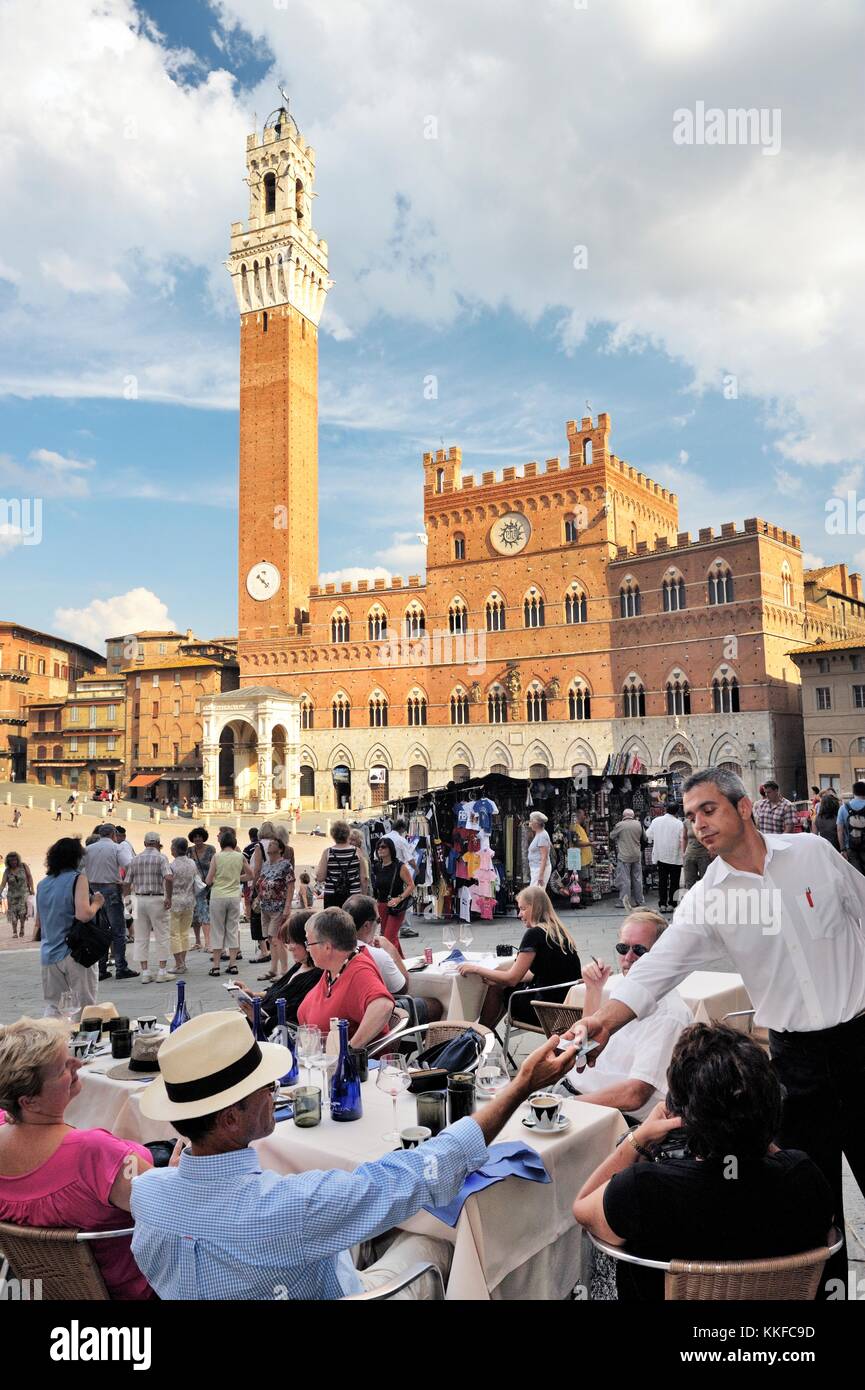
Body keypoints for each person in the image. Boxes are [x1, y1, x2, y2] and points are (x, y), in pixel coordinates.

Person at [574, 765, 865, 1294]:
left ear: (743, 807)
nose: (699, 825)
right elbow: (658, 968)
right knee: (814, 1207)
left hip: (862, 1043)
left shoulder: (812, 855)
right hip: (796, 1066)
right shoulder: (708, 897)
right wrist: (605, 1023)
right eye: (691, 817)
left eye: (708, 810)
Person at [128, 1011, 577, 1300]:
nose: (275, 1092)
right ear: (229, 1120)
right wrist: (521, 1088)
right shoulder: (288, 1207)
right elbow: (422, 1172)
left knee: (379, 1223)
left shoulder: (148, 1194)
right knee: (440, 1240)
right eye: (265, 1088)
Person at [572, 1024, 835, 1301]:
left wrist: (639, 1138)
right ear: (774, 1105)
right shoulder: (805, 1179)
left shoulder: (643, 1189)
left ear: (679, 1115)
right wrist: (754, 1125)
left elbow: (582, 1207)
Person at [0, 1018, 155, 1300]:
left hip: (48, 1289)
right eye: (63, 1068)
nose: (78, 1066)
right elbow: (171, 1208)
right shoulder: (93, 1152)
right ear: (29, 1101)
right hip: (133, 1290)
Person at [562, 910, 691, 1121]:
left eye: (639, 950)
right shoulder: (625, 987)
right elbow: (587, 1044)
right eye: (623, 948)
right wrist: (593, 990)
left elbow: (635, 1095)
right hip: (574, 1091)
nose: (629, 957)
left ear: (661, 954)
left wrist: (566, 1106)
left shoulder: (669, 1015)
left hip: (605, 1113)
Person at [458, 885, 582, 1030]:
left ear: (534, 907)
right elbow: (539, 972)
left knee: (499, 987)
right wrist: (498, 975)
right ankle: (485, 1033)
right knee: (502, 985)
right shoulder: (558, 932)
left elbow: (512, 979)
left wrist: (476, 969)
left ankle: (477, 1035)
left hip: (544, 1010)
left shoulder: (535, 934)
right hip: (567, 1008)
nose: (519, 915)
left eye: (523, 909)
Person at [297, 908, 395, 1046]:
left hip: (350, 1064)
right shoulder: (334, 969)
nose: (307, 949)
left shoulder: (359, 970)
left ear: (327, 947)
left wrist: (349, 1049)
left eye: (309, 943)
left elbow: (383, 1006)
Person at [35, 837, 104, 1018]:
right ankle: (81, 1044)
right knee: (84, 1008)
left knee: (54, 1007)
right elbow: (84, 914)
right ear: (75, 858)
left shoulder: (42, 885)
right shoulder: (78, 879)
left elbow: (39, 922)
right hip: (75, 952)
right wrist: (97, 903)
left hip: (49, 952)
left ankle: (52, 1044)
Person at [235, 909, 322, 1033]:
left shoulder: (315, 976)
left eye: (293, 941)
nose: (290, 947)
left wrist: (257, 1019)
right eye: (287, 942)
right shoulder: (300, 965)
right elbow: (278, 989)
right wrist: (253, 995)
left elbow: (290, 1016)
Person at [84, 823, 138, 982]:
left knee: (100, 929)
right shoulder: (117, 848)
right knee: (118, 930)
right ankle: (121, 967)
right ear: (114, 834)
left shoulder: (88, 849)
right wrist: (126, 883)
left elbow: (81, 870)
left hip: (93, 890)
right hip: (111, 889)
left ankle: (101, 968)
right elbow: (129, 865)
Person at [122, 830, 174, 985]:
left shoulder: (135, 859)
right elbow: (169, 878)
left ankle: (145, 972)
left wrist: (128, 902)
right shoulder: (161, 858)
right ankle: (162, 971)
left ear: (145, 843)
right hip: (156, 898)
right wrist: (168, 897)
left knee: (141, 936)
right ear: (158, 843)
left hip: (138, 898)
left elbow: (126, 883)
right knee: (162, 935)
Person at [342, 893, 410, 997]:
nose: (379, 924)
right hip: (368, 1009)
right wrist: (391, 949)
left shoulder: (333, 947)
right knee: (435, 1005)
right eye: (378, 920)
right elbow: (402, 988)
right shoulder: (377, 955)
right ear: (366, 925)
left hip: (344, 1007)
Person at [206, 829, 252, 978]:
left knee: (217, 930)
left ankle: (216, 966)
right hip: (234, 896)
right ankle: (233, 964)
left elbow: (208, 880)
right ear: (234, 843)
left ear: (221, 843)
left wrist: (217, 881)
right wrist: (237, 879)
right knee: (232, 929)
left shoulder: (217, 856)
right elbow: (251, 874)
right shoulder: (240, 856)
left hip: (218, 896)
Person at [255, 832, 295, 981]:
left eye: (273, 844)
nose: (269, 846)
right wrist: (257, 898)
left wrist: (287, 907)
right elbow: (262, 883)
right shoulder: (266, 864)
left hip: (278, 905)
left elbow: (290, 886)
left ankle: (284, 971)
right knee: (270, 939)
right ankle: (273, 969)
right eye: (269, 844)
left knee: (277, 939)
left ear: (280, 849)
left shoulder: (285, 865)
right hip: (265, 906)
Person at [371, 836, 415, 955]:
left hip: (396, 907)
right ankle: (402, 963)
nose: (380, 849)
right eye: (378, 847)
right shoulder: (377, 867)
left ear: (390, 849)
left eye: (383, 846)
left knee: (388, 938)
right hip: (381, 905)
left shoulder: (399, 866)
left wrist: (399, 898)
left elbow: (411, 885)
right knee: (389, 937)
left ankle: (394, 966)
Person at [167, 836, 202, 974]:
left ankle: (178, 963)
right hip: (189, 900)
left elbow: (168, 883)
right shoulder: (192, 863)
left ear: (175, 849)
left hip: (175, 901)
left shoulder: (172, 865)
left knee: (174, 933)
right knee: (184, 933)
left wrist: (168, 898)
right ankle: (183, 961)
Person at [316, 820, 368, 908]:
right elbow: (364, 878)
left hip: (332, 895)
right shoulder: (357, 852)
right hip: (353, 895)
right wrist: (363, 896)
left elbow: (320, 877)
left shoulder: (328, 852)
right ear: (348, 834)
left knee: (333, 920)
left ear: (333, 835)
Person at [645, 807, 683, 912]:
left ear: (666, 810)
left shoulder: (656, 821)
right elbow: (682, 840)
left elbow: (648, 835)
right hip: (675, 857)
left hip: (661, 856)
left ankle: (662, 904)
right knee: (674, 882)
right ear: (676, 812)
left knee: (662, 881)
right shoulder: (679, 824)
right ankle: (672, 904)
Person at [609, 808, 646, 908]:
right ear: (632, 816)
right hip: (636, 855)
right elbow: (645, 838)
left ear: (623, 816)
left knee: (625, 880)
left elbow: (611, 836)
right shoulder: (638, 824)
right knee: (637, 879)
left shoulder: (620, 825)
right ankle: (640, 900)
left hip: (624, 856)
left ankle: (624, 902)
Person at [188, 827, 215, 951]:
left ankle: (208, 942)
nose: (197, 839)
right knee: (195, 915)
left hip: (208, 885)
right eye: (195, 837)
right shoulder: (189, 850)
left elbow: (215, 865)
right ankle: (198, 941)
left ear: (203, 837)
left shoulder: (210, 849)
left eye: (199, 836)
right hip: (194, 886)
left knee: (205, 913)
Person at [1, 851, 33, 939]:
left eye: (14, 860)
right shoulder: (7, 871)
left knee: (22, 913)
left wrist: (32, 889)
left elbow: (29, 877)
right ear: (8, 862)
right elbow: (3, 883)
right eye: (11, 861)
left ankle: (22, 928)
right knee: (13, 914)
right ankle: (14, 931)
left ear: (17, 860)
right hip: (12, 895)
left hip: (23, 893)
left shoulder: (23, 866)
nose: (13, 862)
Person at [837, 780, 865, 876]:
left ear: (853, 793)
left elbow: (839, 830)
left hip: (851, 847)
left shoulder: (843, 808)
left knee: (857, 876)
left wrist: (842, 849)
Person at [680, 814, 710, 891]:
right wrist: (683, 853)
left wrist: (712, 851)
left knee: (706, 882)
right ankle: (691, 901)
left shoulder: (706, 821)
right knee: (689, 882)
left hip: (704, 856)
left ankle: (705, 901)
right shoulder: (686, 822)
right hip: (689, 856)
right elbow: (684, 838)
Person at [527, 811, 552, 889]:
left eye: (531, 821)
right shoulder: (539, 834)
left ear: (536, 823)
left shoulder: (542, 836)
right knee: (538, 893)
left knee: (535, 894)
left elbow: (544, 857)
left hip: (539, 869)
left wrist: (541, 875)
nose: (529, 824)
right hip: (536, 868)